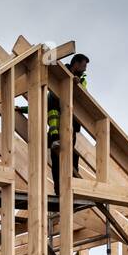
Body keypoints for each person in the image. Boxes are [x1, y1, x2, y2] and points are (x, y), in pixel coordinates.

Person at [48, 54, 89, 190]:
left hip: (72, 123)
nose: (85, 69)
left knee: (73, 157)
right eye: (83, 66)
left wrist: (77, 85)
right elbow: (46, 101)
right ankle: (59, 190)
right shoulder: (61, 74)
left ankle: (73, 188)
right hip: (58, 126)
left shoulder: (82, 80)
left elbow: (85, 97)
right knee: (57, 160)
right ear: (76, 64)